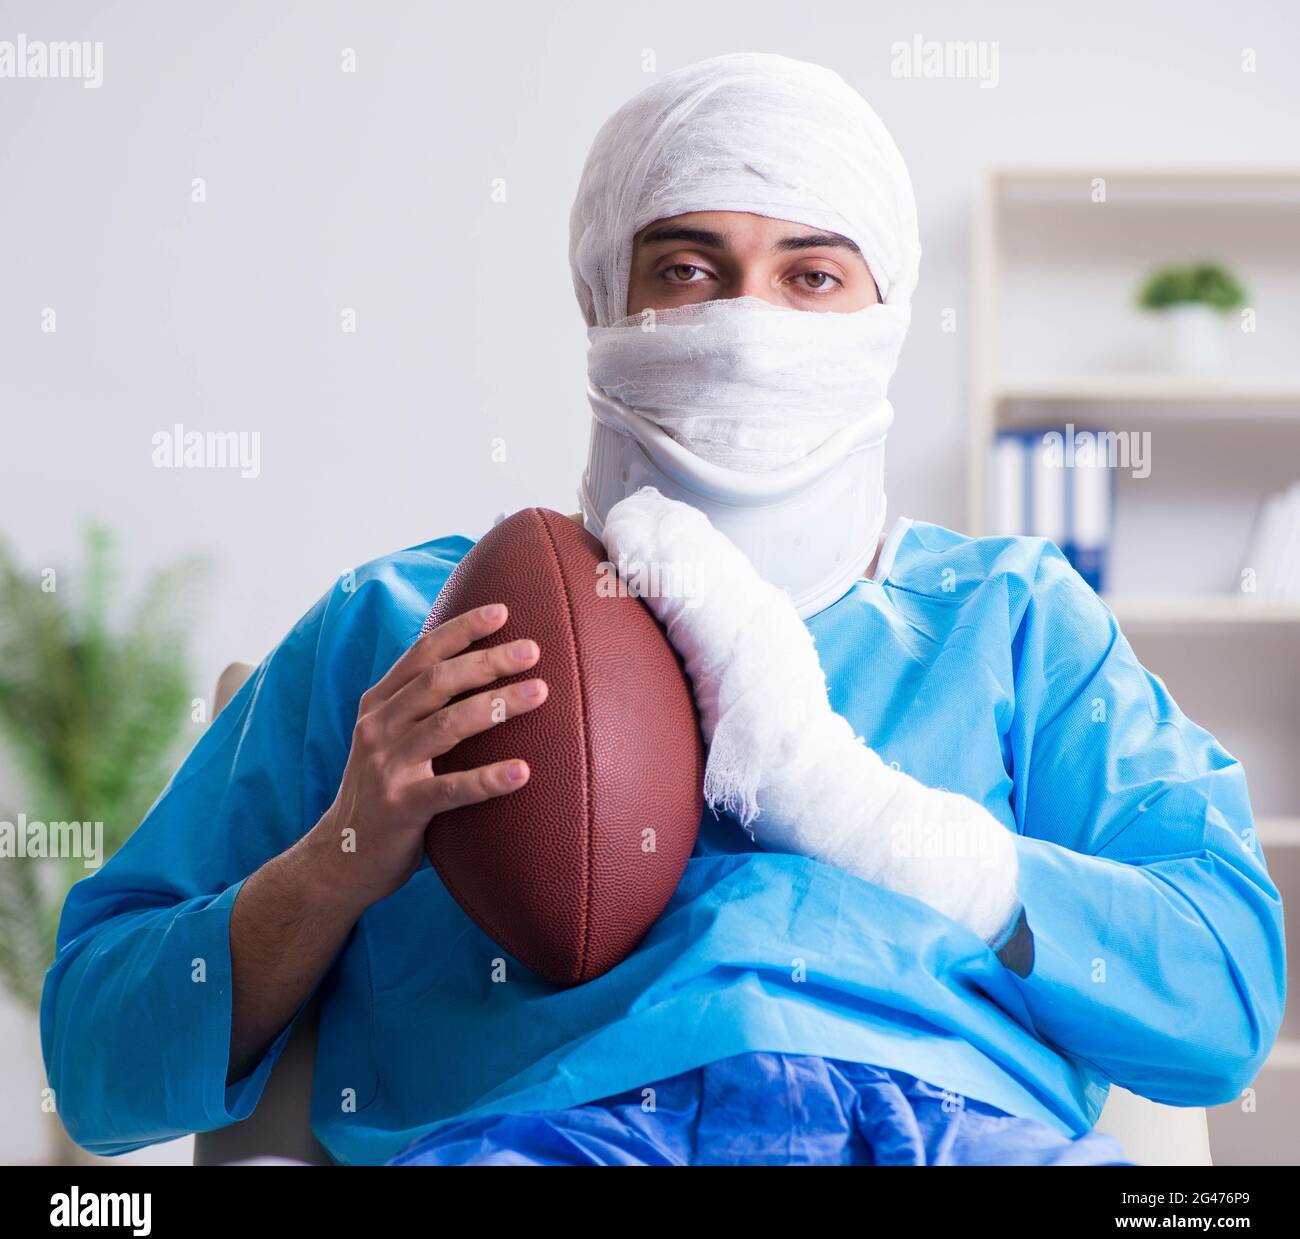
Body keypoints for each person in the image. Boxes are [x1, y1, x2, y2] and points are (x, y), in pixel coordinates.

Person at [42, 54, 1284, 1167]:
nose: (750, 324)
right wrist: (335, 864)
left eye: (812, 274)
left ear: (885, 318)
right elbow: (98, 1066)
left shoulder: (1012, 624)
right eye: (687, 269)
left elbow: (1223, 1001)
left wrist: (886, 826)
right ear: (603, 300)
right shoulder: (406, 629)